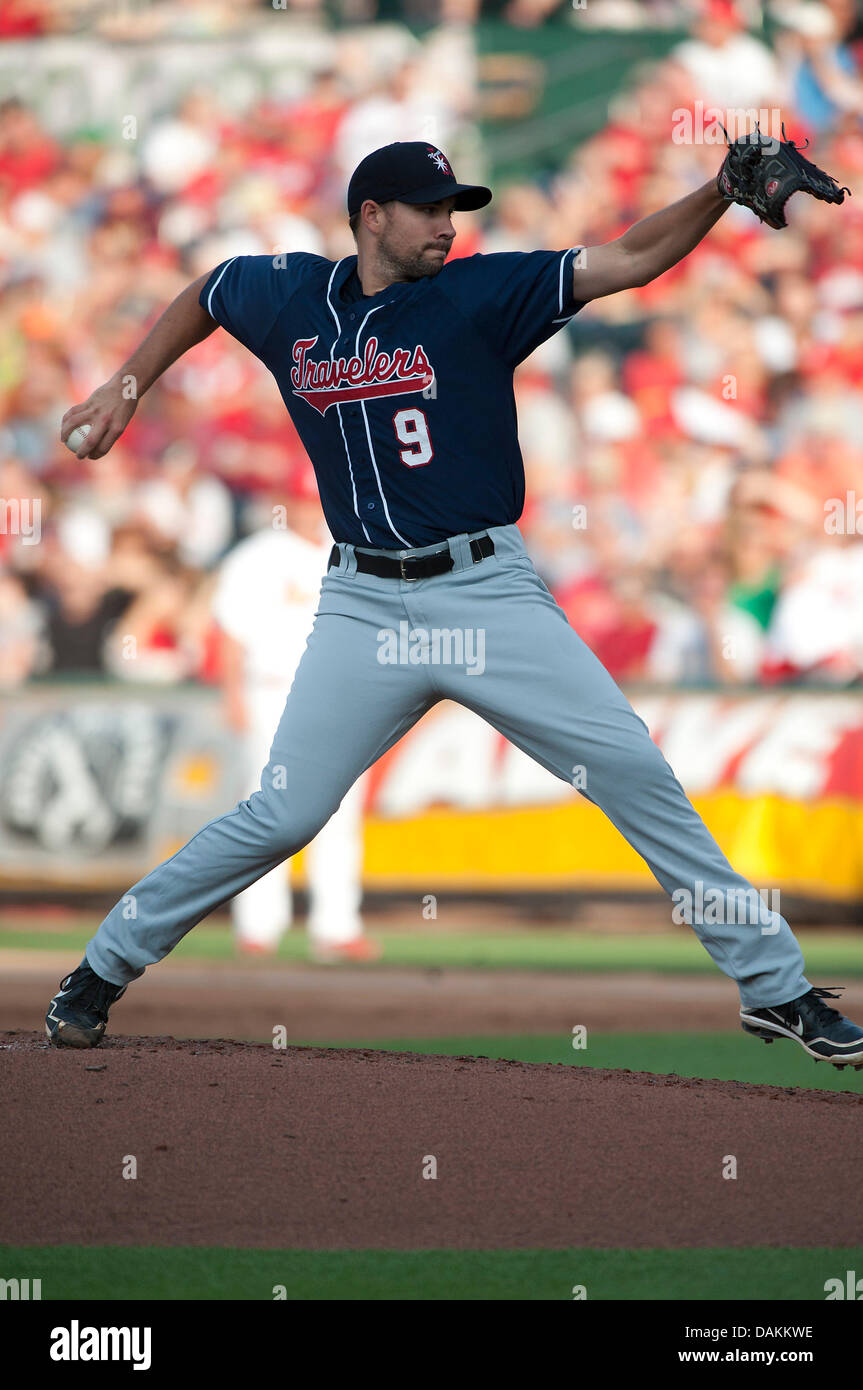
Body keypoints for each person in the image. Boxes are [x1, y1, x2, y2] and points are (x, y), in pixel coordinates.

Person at [47, 140, 863, 1069]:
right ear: (370, 216)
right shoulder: (286, 298)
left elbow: (627, 259)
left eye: (454, 208)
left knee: (631, 770)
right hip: (360, 603)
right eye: (429, 208)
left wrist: (717, 192)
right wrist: (125, 386)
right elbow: (206, 292)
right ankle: (102, 969)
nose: (447, 223)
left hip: (485, 592)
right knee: (281, 814)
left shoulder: (477, 296)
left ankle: (775, 989)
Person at [213, 462, 372, 961]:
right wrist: (232, 694)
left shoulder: (351, 548)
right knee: (268, 807)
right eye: (302, 499)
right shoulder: (258, 556)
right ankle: (258, 926)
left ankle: (337, 927)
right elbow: (230, 635)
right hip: (270, 692)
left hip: (339, 695)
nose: (310, 509)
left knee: (341, 810)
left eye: (316, 498)